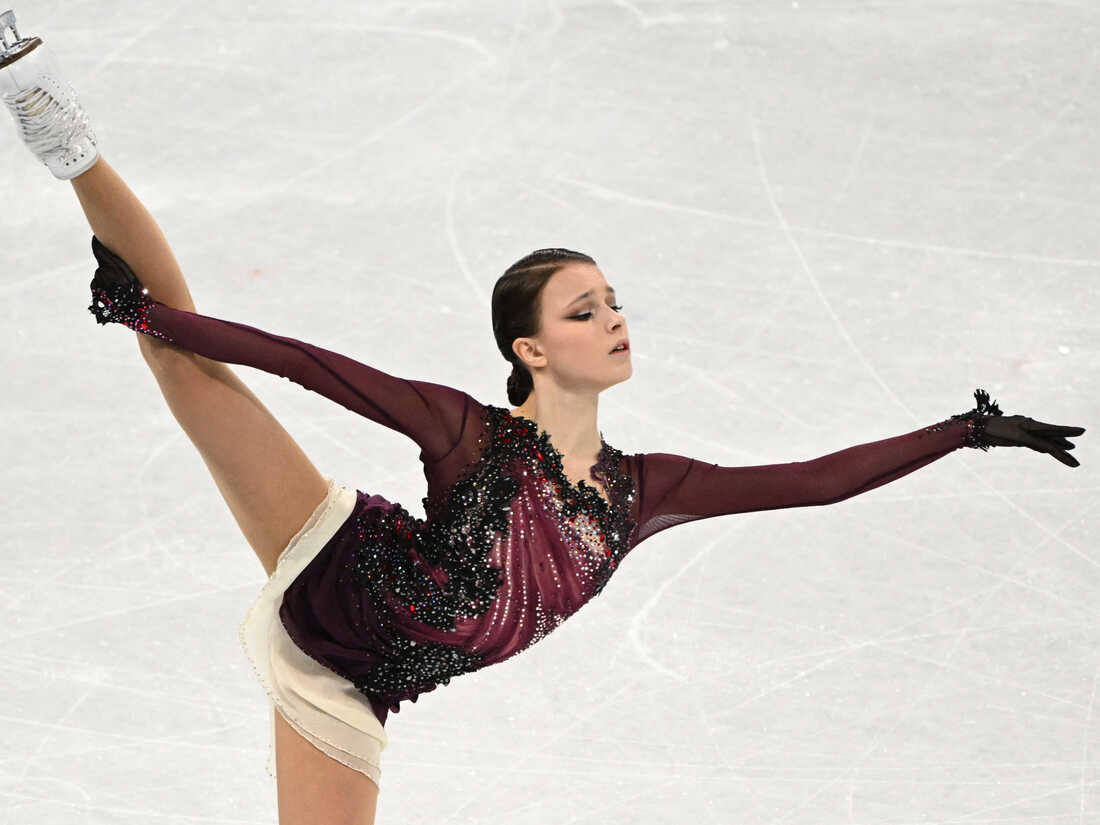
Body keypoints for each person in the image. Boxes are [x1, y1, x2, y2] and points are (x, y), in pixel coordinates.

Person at [2, 10, 1086, 824]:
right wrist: (151, 314)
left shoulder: (644, 492)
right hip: (334, 555)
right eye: (583, 309)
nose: (614, 320)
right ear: (529, 349)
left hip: (359, 681)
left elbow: (811, 481)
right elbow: (309, 365)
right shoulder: (467, 437)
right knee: (173, 347)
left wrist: (961, 432)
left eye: (613, 303)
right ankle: (57, 123)